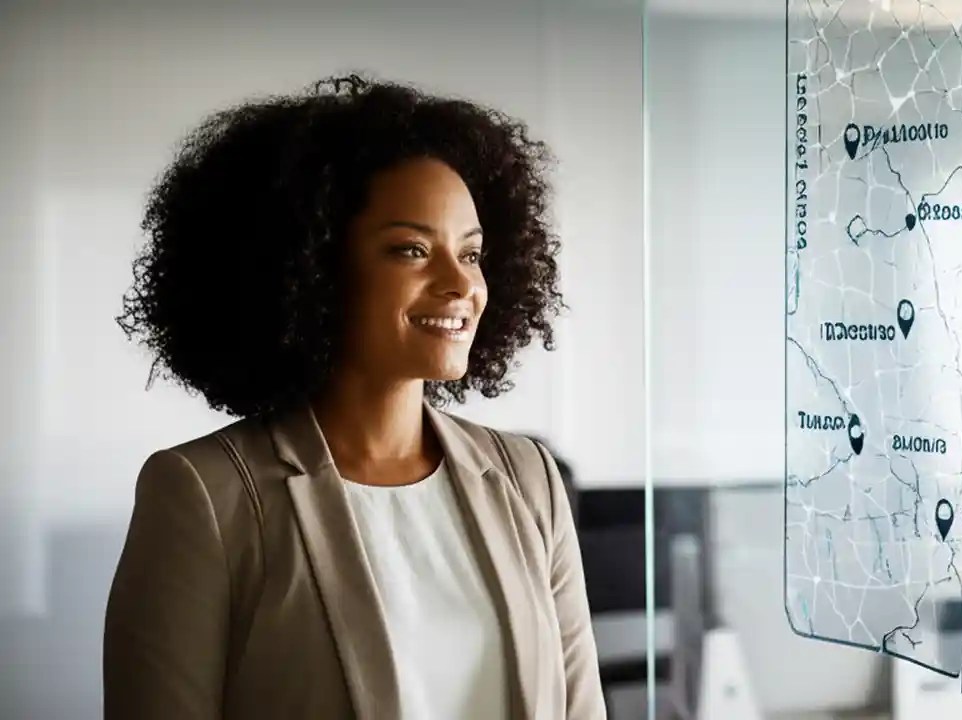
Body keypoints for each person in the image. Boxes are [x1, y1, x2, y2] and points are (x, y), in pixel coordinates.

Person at [104, 73, 606, 720]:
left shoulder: (527, 479)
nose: (461, 284)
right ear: (308, 267)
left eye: (473, 253)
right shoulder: (204, 494)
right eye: (411, 250)